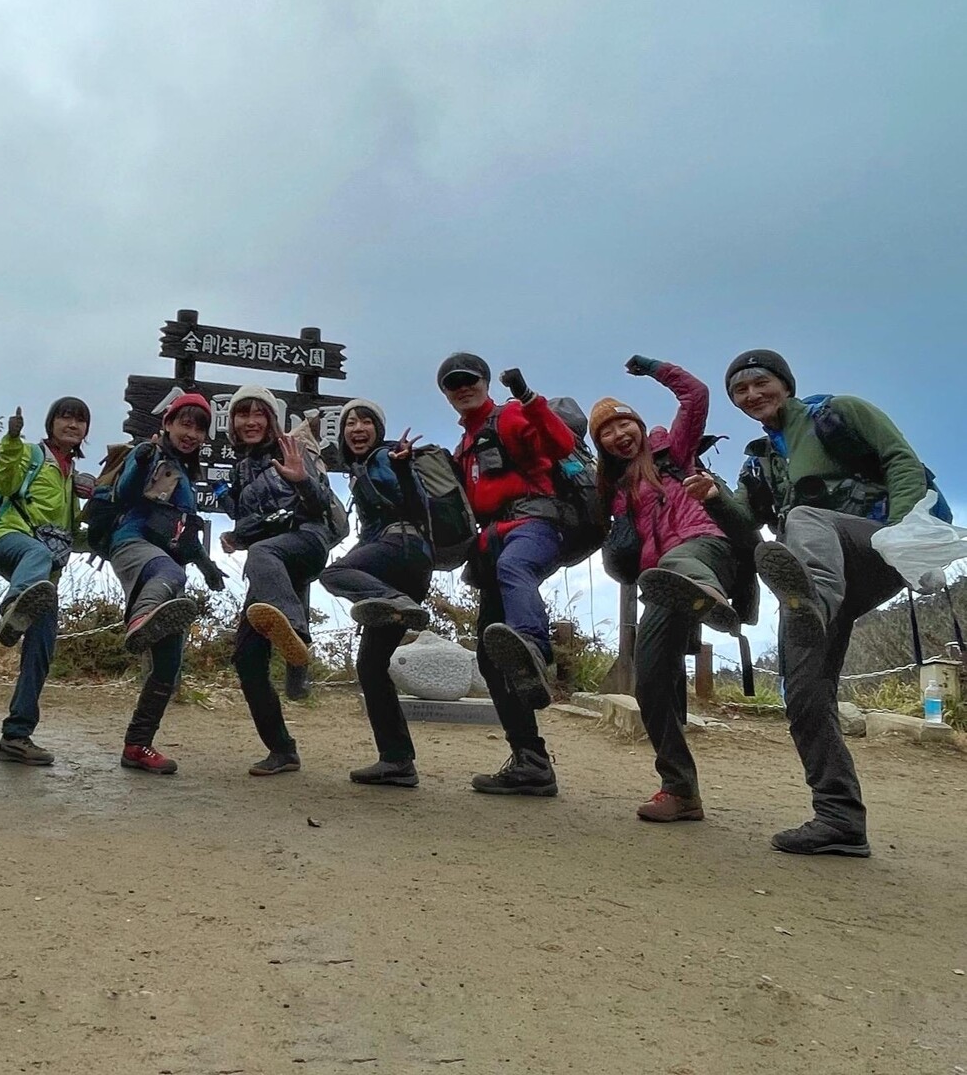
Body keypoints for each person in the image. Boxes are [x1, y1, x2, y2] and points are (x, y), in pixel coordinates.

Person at [685, 348, 932, 857]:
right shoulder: (758, 461)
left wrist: (908, 531)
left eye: (760, 383)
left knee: (802, 519)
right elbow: (748, 529)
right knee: (804, 694)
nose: (752, 395)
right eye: (740, 391)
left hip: (879, 544)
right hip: (819, 576)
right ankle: (839, 819)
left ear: (785, 383)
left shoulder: (839, 413)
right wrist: (714, 498)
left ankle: (810, 601)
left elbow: (901, 460)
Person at [590, 356, 756, 821]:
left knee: (683, 563)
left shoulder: (672, 453)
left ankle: (711, 598)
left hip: (706, 547)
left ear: (639, 427)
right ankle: (680, 790)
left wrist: (652, 368)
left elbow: (696, 395)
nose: (620, 434)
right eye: (607, 431)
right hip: (661, 580)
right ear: (601, 445)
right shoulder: (614, 490)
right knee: (651, 679)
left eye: (625, 424)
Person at [443, 352, 576, 796]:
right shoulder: (465, 445)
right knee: (488, 653)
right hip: (492, 540)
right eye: (452, 384)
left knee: (515, 567)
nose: (462, 387)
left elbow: (561, 446)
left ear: (485, 382)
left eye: (469, 379)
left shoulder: (512, 416)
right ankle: (531, 762)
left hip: (535, 525)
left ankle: (535, 652)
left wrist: (528, 397)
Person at [215, 385, 345, 777]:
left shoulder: (291, 447)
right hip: (271, 566)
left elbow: (320, 504)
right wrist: (237, 535)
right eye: (242, 414)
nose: (251, 421)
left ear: (271, 419)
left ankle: (297, 639)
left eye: (259, 414)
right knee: (247, 659)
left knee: (262, 554)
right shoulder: (241, 467)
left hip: (305, 542)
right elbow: (249, 520)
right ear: (233, 422)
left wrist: (302, 479)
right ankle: (282, 750)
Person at [318, 399, 434, 786]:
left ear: (378, 431)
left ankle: (395, 603)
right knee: (370, 666)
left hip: (401, 550)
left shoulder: (385, 458)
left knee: (335, 572)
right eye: (350, 422)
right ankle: (398, 761)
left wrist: (403, 470)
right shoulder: (360, 470)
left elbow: (418, 506)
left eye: (366, 421)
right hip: (405, 567)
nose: (357, 427)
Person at [0, 397, 92, 766]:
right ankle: (14, 606)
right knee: (37, 555)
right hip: (9, 539)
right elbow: (2, 482)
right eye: (65, 417)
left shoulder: (72, 475)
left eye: (80, 420)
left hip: (42, 579)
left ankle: (16, 736)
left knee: (42, 650)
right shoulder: (31, 454)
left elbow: (69, 534)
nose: (72, 424)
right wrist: (11, 441)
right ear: (51, 422)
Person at [105, 392, 214, 774]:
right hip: (133, 546)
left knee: (168, 665)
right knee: (171, 574)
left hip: (165, 561)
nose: (192, 433)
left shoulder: (184, 474)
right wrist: (144, 459)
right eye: (185, 423)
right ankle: (141, 619)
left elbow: (181, 532)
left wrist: (207, 564)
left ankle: (137, 745)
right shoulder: (147, 453)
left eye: (199, 427)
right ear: (167, 424)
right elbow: (126, 492)